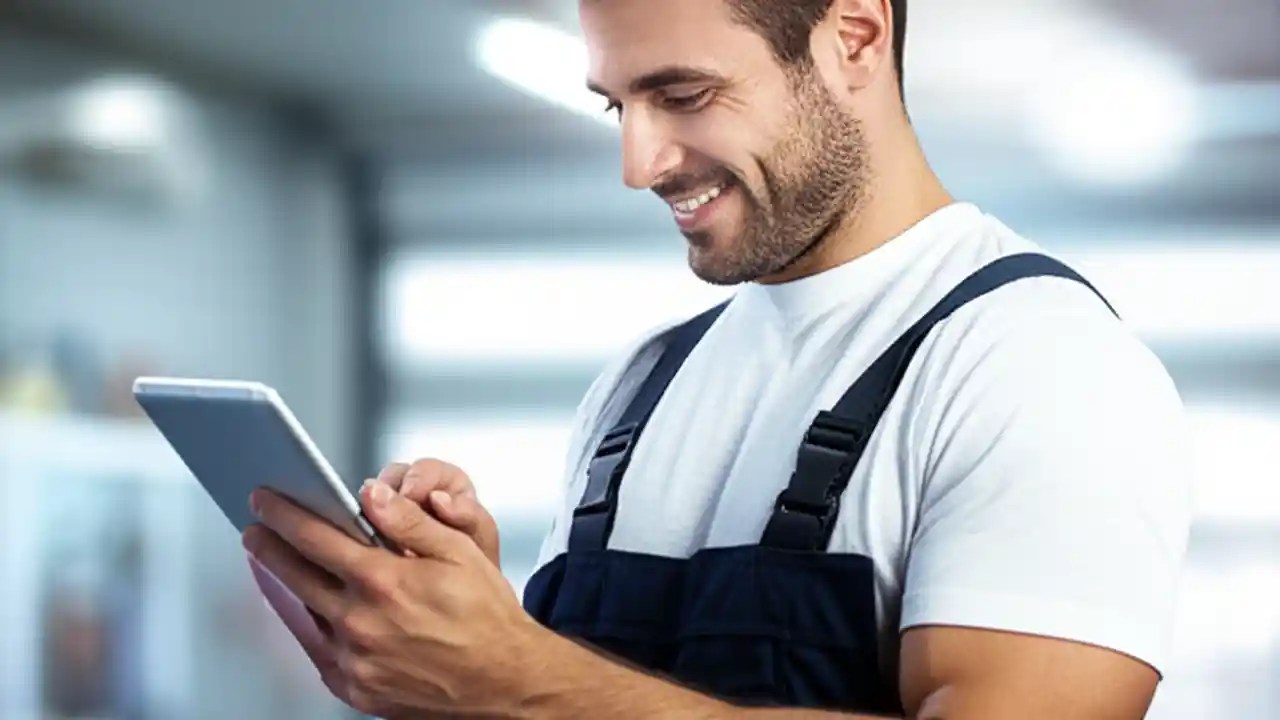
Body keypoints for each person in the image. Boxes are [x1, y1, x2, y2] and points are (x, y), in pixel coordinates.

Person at [241, 0, 1193, 717]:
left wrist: (518, 673)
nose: (638, 162)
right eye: (618, 104)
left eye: (683, 95)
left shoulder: (1039, 364)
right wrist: (456, 650)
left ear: (854, 36)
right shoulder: (641, 384)